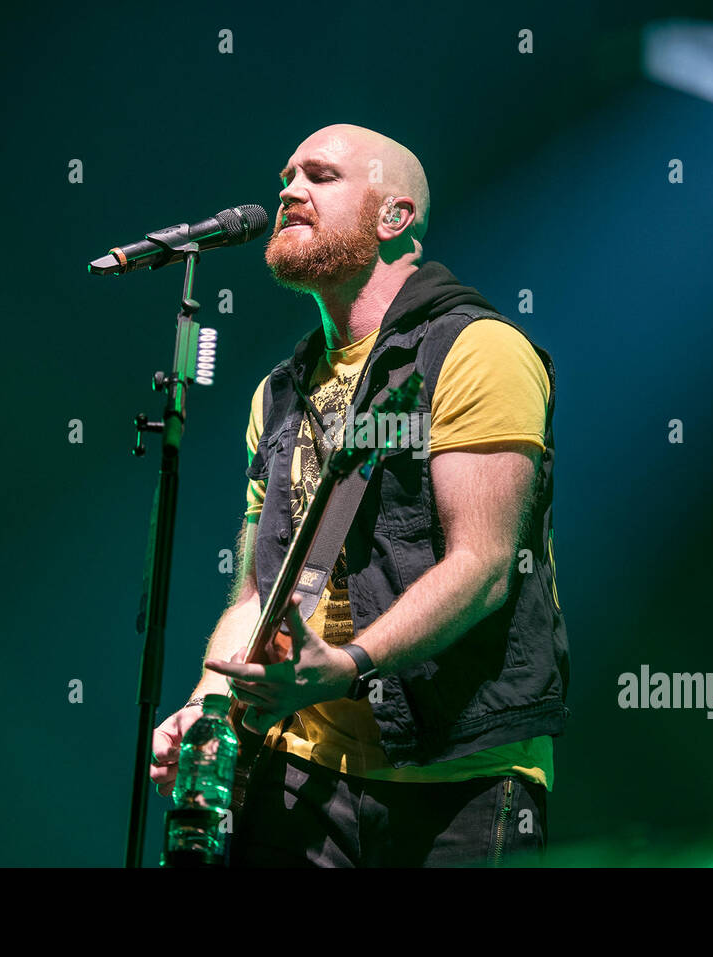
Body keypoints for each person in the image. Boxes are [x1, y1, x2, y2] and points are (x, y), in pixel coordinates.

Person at [150, 123, 569, 867]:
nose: (288, 190)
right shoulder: (279, 393)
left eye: (321, 175)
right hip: (300, 773)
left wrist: (350, 664)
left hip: (455, 780)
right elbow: (259, 587)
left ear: (394, 217)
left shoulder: (475, 351)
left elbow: (484, 565)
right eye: (286, 176)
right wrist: (208, 706)